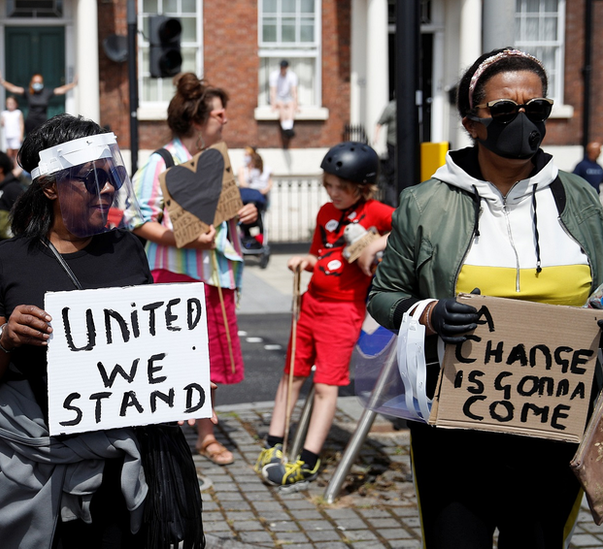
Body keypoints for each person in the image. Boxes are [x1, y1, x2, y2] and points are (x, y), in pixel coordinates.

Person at [368, 47, 603, 548]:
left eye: (535, 108)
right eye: (502, 110)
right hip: (456, 426)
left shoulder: (583, 198)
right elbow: (385, 296)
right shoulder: (424, 203)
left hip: (557, 424)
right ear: (471, 122)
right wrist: (428, 313)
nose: (522, 120)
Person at [0, 114, 203, 549]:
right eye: (91, 179)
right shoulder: (6, 261)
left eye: (112, 175)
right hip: (41, 464)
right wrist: (4, 338)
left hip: (125, 463)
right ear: (50, 185)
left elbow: (145, 342)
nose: (106, 188)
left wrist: (183, 378)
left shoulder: (127, 248)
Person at [128, 72, 258, 466]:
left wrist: (243, 213)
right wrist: (181, 238)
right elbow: (137, 220)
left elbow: (219, 219)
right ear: (198, 120)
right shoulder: (161, 162)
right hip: (174, 275)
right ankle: (164, 435)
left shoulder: (216, 161)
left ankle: (205, 433)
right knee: (173, 358)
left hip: (216, 275)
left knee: (211, 359)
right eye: (220, 114)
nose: (226, 120)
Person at [254, 142, 394, 489]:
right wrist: (306, 261)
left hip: (342, 311)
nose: (333, 193)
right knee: (292, 374)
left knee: (325, 385)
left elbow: (410, 225)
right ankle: (274, 445)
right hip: (310, 303)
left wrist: (376, 245)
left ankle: (309, 459)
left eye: (340, 188)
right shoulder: (324, 213)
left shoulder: (376, 212)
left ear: (362, 186)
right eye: (328, 184)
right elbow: (320, 255)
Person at [0, 72, 78, 135]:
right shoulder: (28, 92)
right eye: (35, 82)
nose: (37, 84)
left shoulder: (46, 92)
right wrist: (2, 81)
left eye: (39, 82)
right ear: (32, 83)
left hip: (42, 122)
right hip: (30, 122)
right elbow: (13, 89)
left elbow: (61, 90)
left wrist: (73, 84)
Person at [237, 147, 271, 246]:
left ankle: (258, 240)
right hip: (247, 199)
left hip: (258, 200)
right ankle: (246, 238)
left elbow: (268, 183)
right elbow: (242, 183)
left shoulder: (261, 170)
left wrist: (261, 191)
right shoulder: (244, 169)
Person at [374, 99, 398, 205]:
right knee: (392, 172)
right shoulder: (391, 107)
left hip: (405, 144)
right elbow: (379, 123)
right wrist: (376, 137)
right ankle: (391, 200)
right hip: (393, 144)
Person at [269, 60, 299, 139]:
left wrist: (296, 104)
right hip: (278, 97)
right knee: (281, 105)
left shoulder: (292, 76)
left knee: (291, 105)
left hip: (287, 97)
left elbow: (294, 91)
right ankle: (285, 127)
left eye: (284, 67)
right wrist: (273, 104)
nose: (282, 69)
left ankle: (289, 126)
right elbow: (273, 91)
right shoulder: (274, 75)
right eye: (281, 67)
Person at [1, 95, 25, 171]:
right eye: (8, 103)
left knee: (16, 153)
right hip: (8, 136)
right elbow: (2, 124)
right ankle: (10, 168)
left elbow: (21, 124)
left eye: (12, 103)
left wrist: (21, 135)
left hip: (16, 135)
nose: (10, 105)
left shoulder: (18, 112)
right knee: (9, 153)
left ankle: (17, 168)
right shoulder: (4, 113)